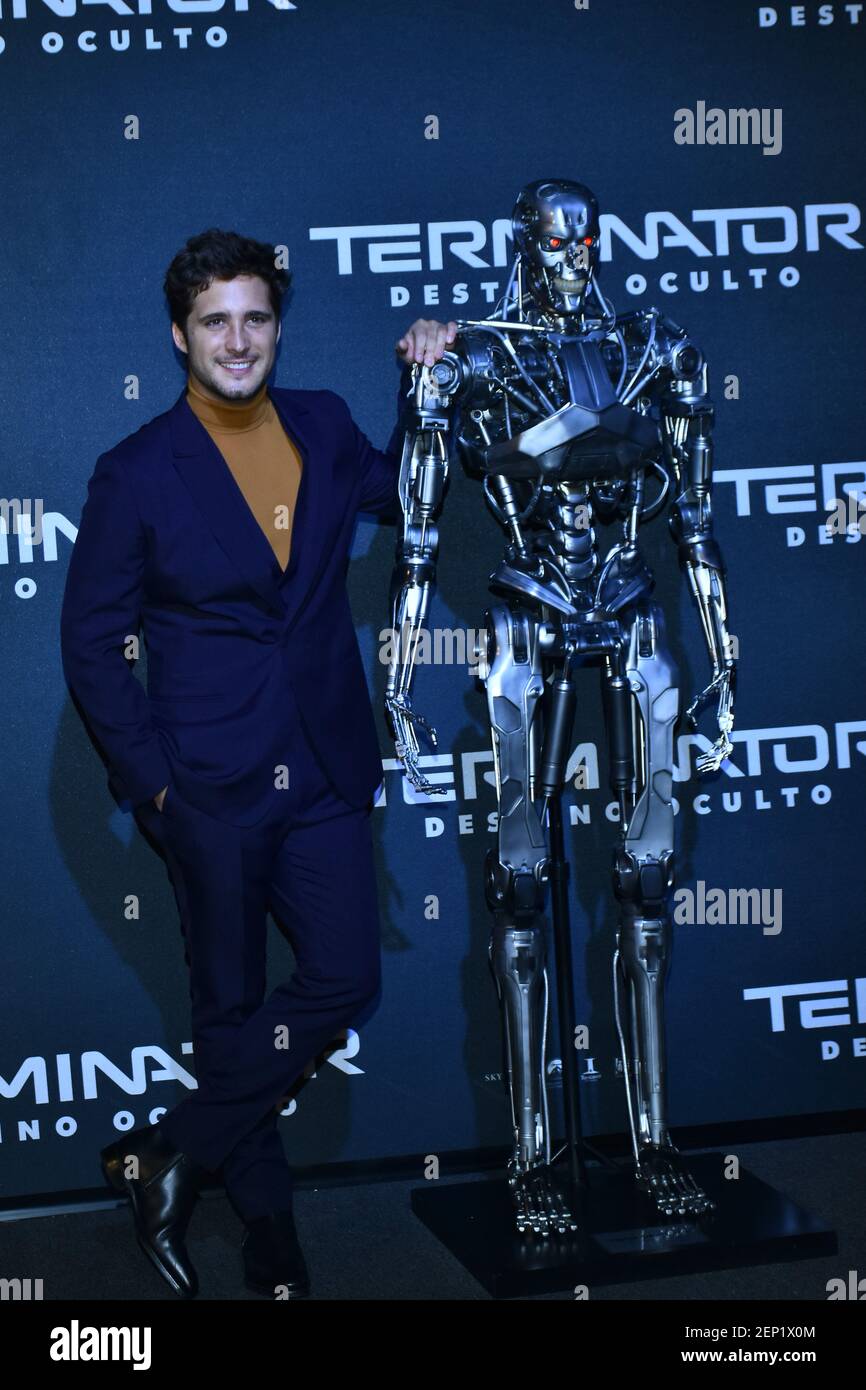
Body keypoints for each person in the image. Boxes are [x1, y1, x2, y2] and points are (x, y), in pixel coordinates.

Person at [59, 225, 455, 1299]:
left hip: (325, 768)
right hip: (207, 789)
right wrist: (154, 785)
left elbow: (409, 496)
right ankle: (270, 1227)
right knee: (229, 1008)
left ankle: (164, 1153)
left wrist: (426, 382)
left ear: (276, 325)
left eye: (255, 318)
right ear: (180, 335)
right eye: (214, 322)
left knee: (342, 975)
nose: (238, 341)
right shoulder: (137, 471)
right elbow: (91, 641)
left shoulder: (323, 426)